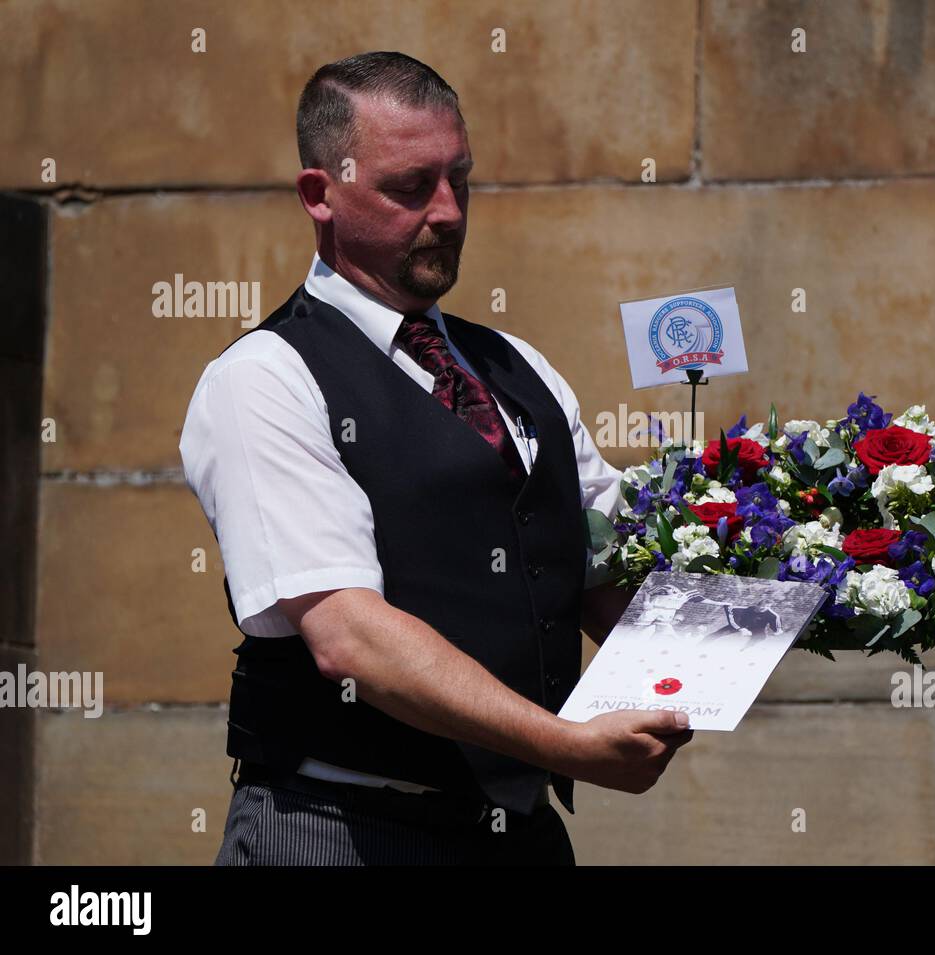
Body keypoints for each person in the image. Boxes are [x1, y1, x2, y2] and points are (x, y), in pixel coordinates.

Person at [179, 51, 692, 865]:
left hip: (517, 838)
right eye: (411, 187)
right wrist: (566, 742)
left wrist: (827, 565)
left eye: (462, 179)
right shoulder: (263, 379)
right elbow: (352, 638)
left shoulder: (519, 367)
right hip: (338, 832)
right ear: (320, 194)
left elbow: (603, 571)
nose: (449, 212)